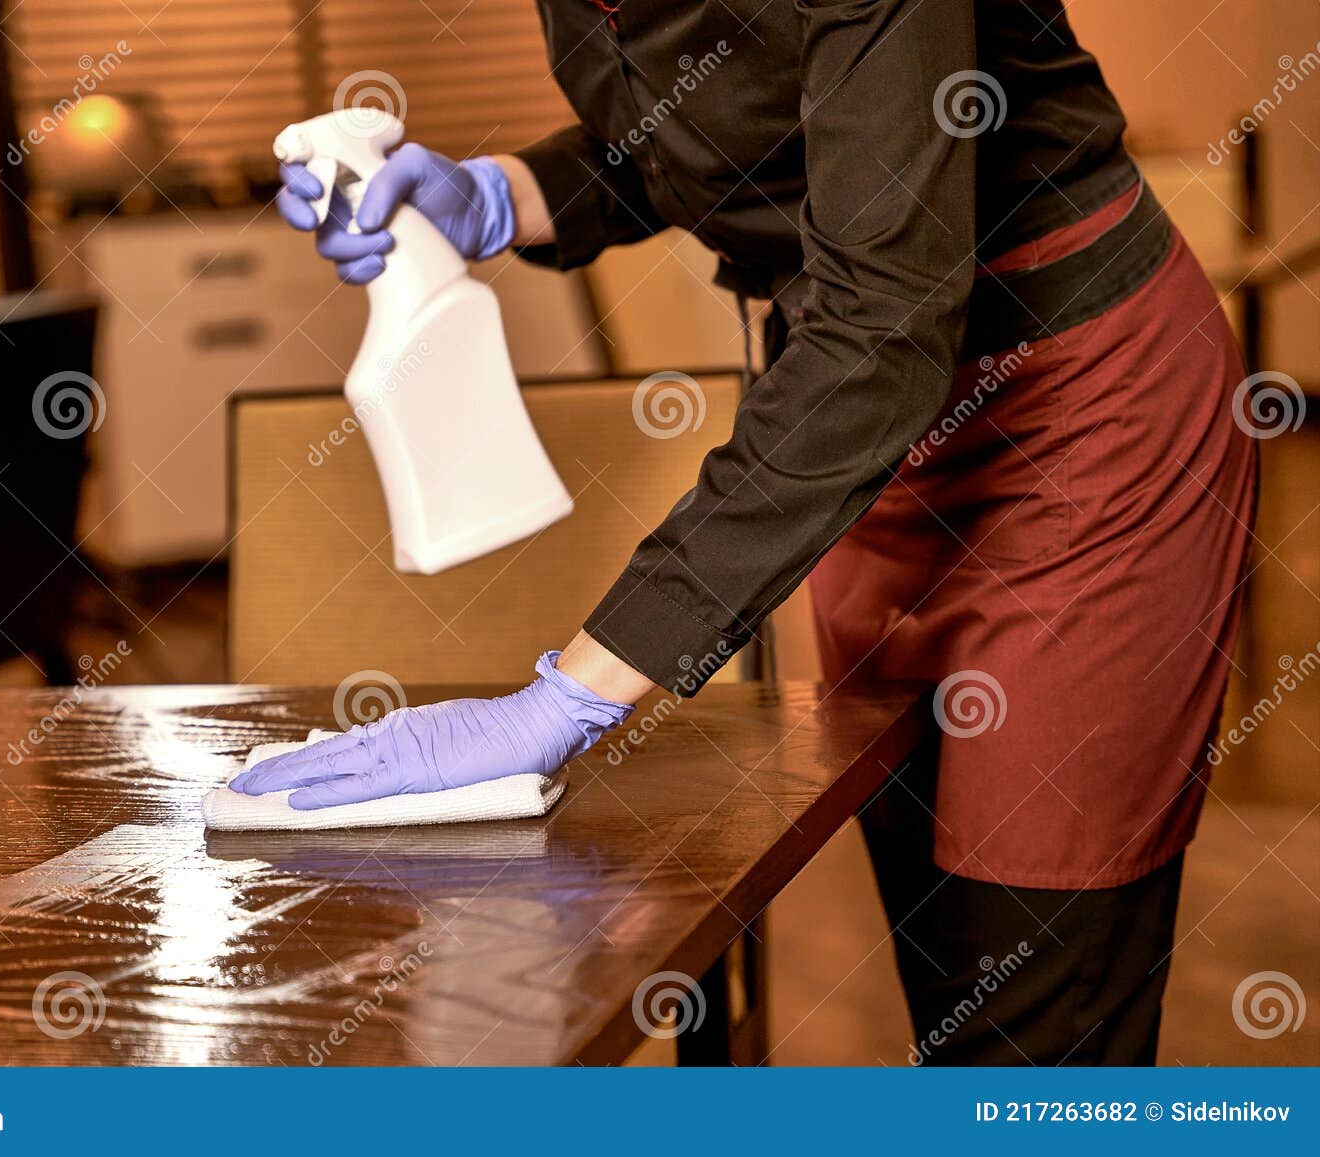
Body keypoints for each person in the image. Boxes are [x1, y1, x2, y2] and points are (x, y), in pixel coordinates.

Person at [234, 0, 1257, 1066]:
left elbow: (884, 321)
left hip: (1074, 427)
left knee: (1032, 1011)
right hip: (861, 457)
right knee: (949, 969)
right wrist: (498, 197)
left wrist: (566, 697)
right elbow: (716, 133)